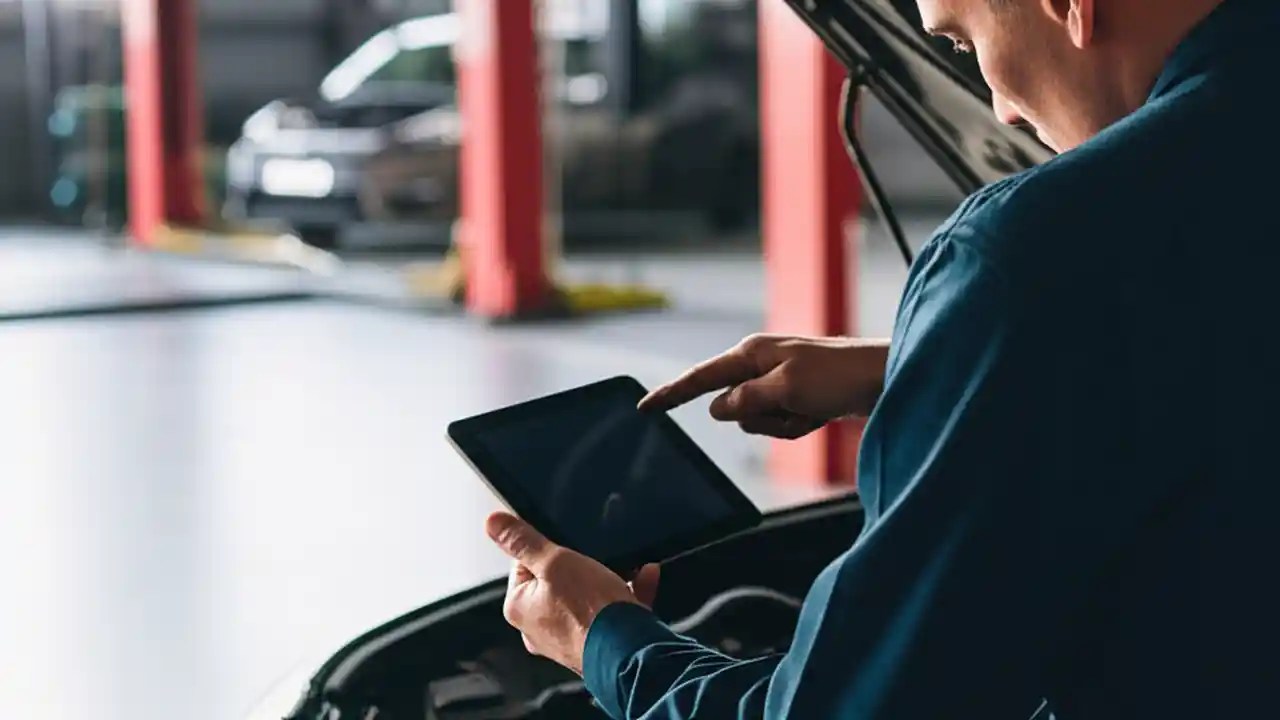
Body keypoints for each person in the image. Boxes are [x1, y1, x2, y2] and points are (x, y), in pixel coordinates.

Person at [484, 0, 1280, 716]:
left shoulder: (1033, 253)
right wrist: (927, 364)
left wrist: (604, 639)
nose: (1000, 110)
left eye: (962, 43)